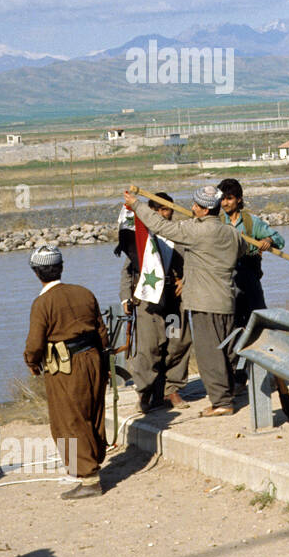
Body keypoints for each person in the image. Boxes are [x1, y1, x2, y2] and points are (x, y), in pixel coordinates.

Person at [123, 185, 245, 417]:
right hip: (227, 300)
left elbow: (159, 226)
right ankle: (226, 395)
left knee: (210, 354)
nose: (191, 208)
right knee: (226, 351)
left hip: (204, 303)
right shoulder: (231, 232)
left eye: (195, 206)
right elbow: (242, 250)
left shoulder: (196, 232)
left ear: (204, 209)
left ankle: (221, 402)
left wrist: (136, 204)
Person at [217, 178, 289, 424]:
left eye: (229, 198)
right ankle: (234, 379)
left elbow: (277, 239)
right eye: (222, 199)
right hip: (224, 281)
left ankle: (262, 373)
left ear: (238, 199)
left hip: (248, 280)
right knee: (230, 328)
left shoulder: (251, 223)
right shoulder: (217, 221)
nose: (225, 203)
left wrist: (267, 242)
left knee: (258, 325)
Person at [22, 245, 110, 499]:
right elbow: (101, 332)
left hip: (65, 366)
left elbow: (35, 344)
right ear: (60, 267)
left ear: (37, 273)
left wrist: (31, 361)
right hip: (94, 359)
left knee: (69, 420)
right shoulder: (84, 292)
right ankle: (93, 463)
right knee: (93, 412)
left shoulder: (42, 303)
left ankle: (89, 479)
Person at [118, 192, 192, 412]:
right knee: (149, 346)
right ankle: (145, 391)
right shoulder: (143, 237)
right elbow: (127, 270)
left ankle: (172, 389)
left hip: (173, 298)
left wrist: (187, 281)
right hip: (148, 299)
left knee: (176, 342)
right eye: (157, 209)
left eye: (166, 209)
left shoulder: (181, 235)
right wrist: (125, 296)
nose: (162, 213)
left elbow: (197, 263)